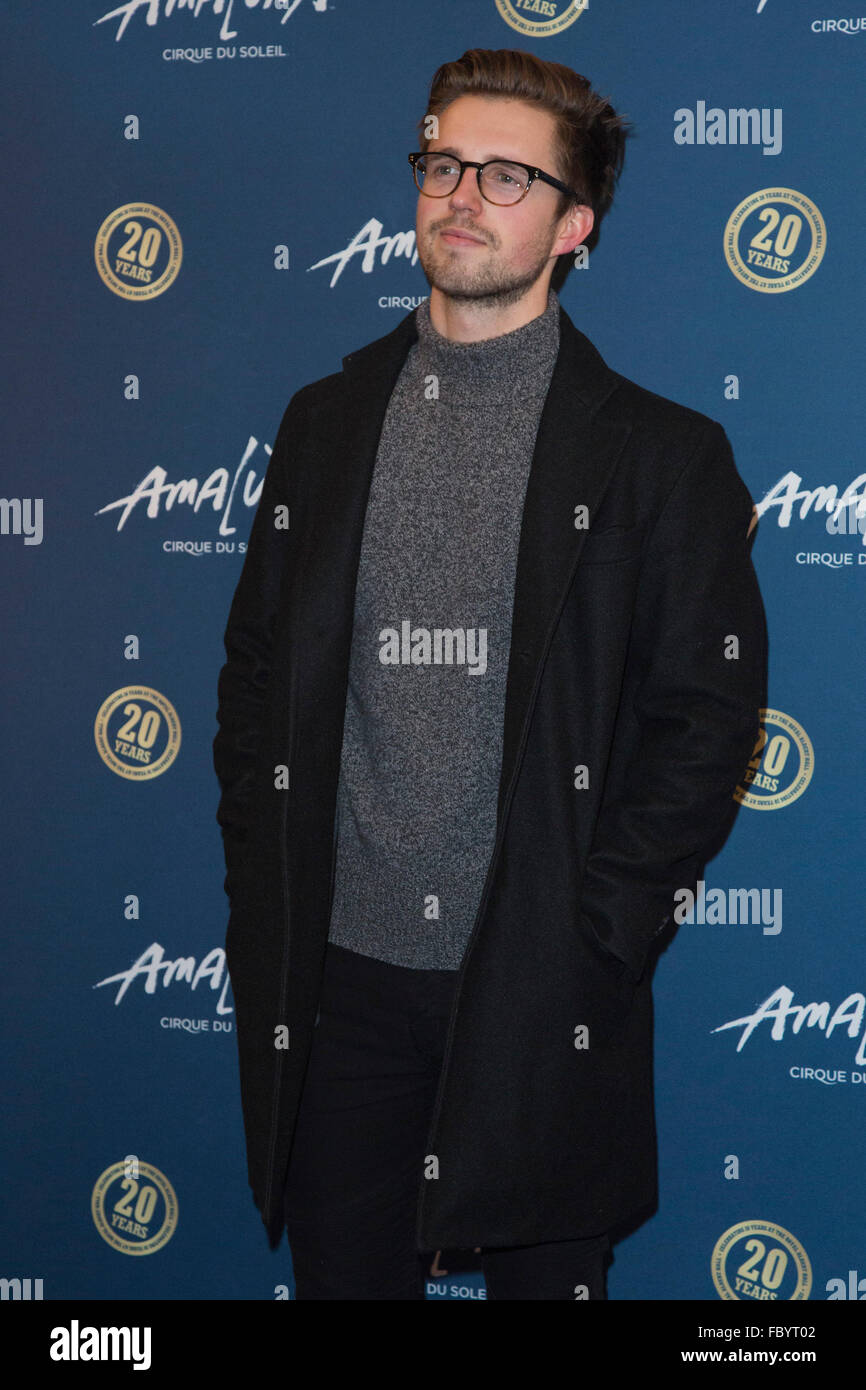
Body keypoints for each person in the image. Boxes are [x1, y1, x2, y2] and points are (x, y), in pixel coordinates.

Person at [213, 47, 768, 1300]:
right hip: (339, 988)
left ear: (574, 226)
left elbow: (702, 722)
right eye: (444, 164)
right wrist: (267, 883)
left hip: (536, 986)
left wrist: (592, 937)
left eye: (507, 175)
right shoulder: (320, 423)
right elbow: (255, 679)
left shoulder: (661, 456)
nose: (462, 195)